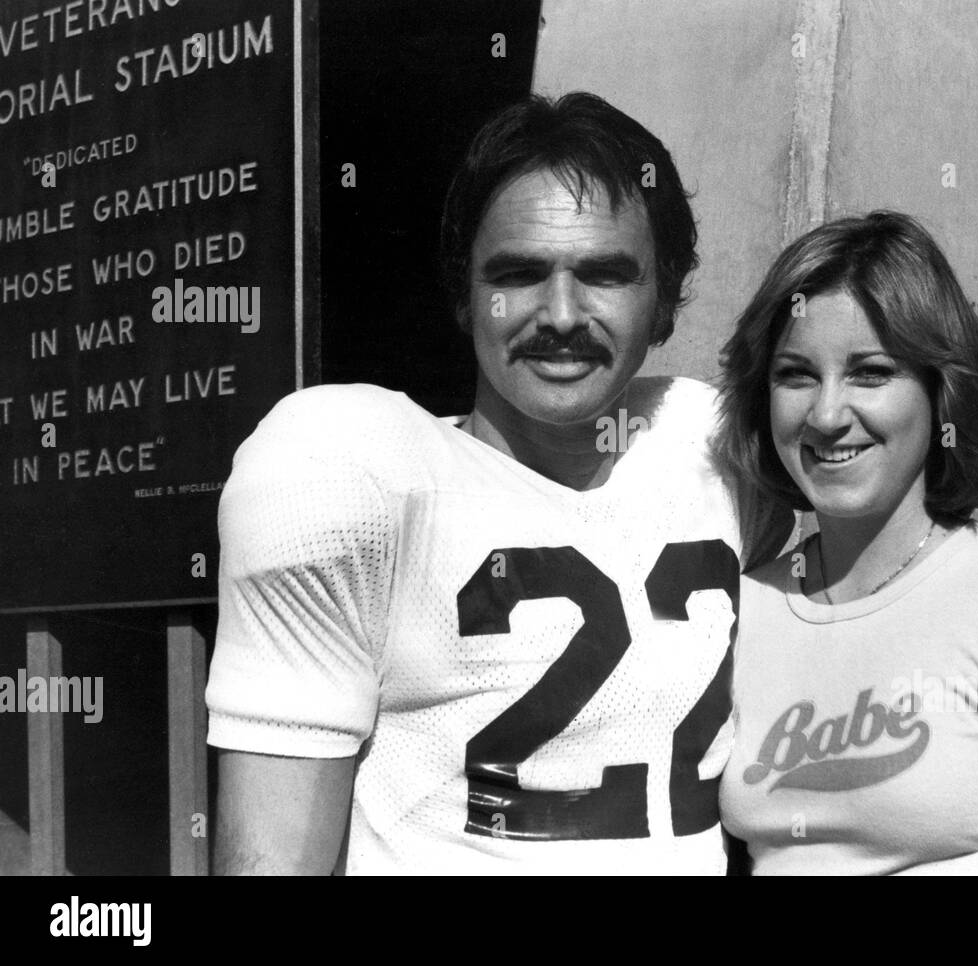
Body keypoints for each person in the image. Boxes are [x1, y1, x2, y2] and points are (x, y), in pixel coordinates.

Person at [206, 92, 781, 874]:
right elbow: (271, 864)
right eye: (519, 274)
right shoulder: (357, 477)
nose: (562, 314)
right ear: (462, 293)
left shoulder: (716, 449)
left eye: (606, 275)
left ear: (664, 303)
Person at [714, 212, 978, 874]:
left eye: (870, 372)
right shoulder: (737, 610)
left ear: (941, 392)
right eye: (796, 374)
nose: (827, 414)